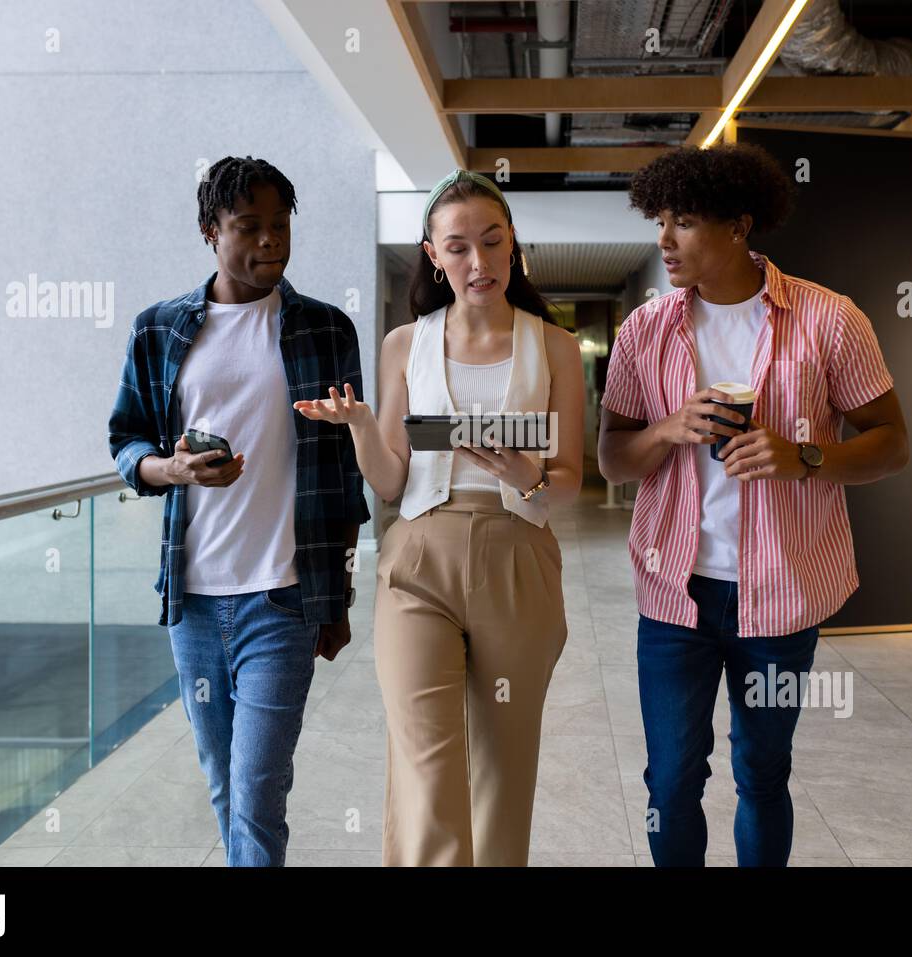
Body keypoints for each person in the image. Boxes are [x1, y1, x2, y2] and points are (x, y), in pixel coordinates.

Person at [598, 143, 909, 866]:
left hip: (781, 595)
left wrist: (802, 457)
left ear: (740, 227)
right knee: (671, 779)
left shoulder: (830, 319)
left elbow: (892, 442)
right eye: (660, 220)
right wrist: (671, 428)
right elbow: (613, 455)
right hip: (675, 596)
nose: (663, 239)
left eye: (682, 222)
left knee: (762, 774)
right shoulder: (645, 331)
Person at [295, 170, 584, 865]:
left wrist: (530, 476)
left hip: (518, 553)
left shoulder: (555, 346)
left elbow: (569, 480)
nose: (477, 263)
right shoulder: (405, 344)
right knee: (426, 767)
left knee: (503, 771)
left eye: (492, 241)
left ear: (514, 243)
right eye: (458, 247)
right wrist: (363, 425)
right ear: (431, 253)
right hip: (419, 559)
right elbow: (393, 478)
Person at [107, 155, 370, 866]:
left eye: (280, 226)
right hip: (192, 601)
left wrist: (338, 599)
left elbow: (343, 474)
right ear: (208, 231)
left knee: (256, 789)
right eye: (248, 227)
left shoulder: (325, 330)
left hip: (283, 599)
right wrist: (173, 468)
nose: (270, 243)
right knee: (223, 785)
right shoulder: (158, 329)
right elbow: (125, 439)